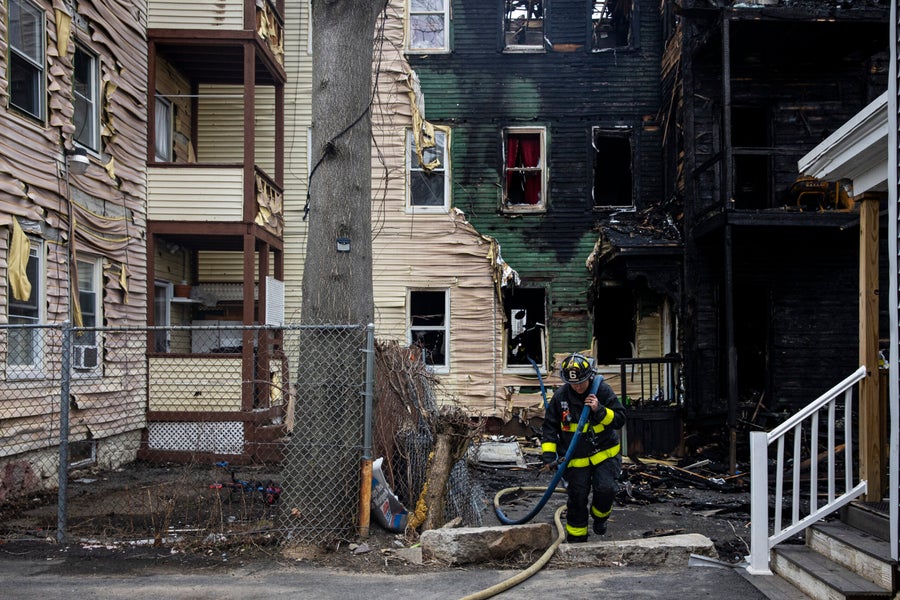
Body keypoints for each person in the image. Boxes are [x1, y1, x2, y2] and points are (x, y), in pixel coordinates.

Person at [541, 352, 626, 543]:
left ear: (590, 376)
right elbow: (549, 427)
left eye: (581, 382)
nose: (578, 387)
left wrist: (599, 410)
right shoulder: (561, 397)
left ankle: (600, 517)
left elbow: (620, 419)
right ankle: (576, 539)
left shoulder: (602, 390)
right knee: (577, 498)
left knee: (606, 489)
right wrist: (548, 456)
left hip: (604, 453)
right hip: (576, 458)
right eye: (573, 383)